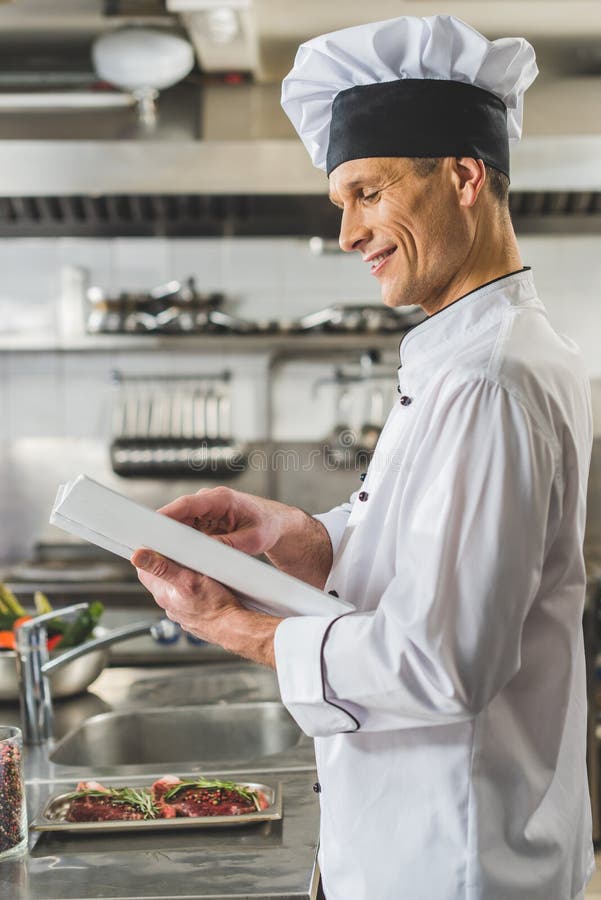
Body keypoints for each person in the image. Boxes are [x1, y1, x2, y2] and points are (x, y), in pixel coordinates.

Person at [131, 15, 594, 900]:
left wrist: (231, 626)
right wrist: (300, 536)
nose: (347, 233)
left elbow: (440, 663)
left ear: (463, 176)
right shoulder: (474, 355)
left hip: (451, 863)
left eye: (367, 193)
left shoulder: (488, 379)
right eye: (340, 203)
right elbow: (424, 549)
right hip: (432, 846)